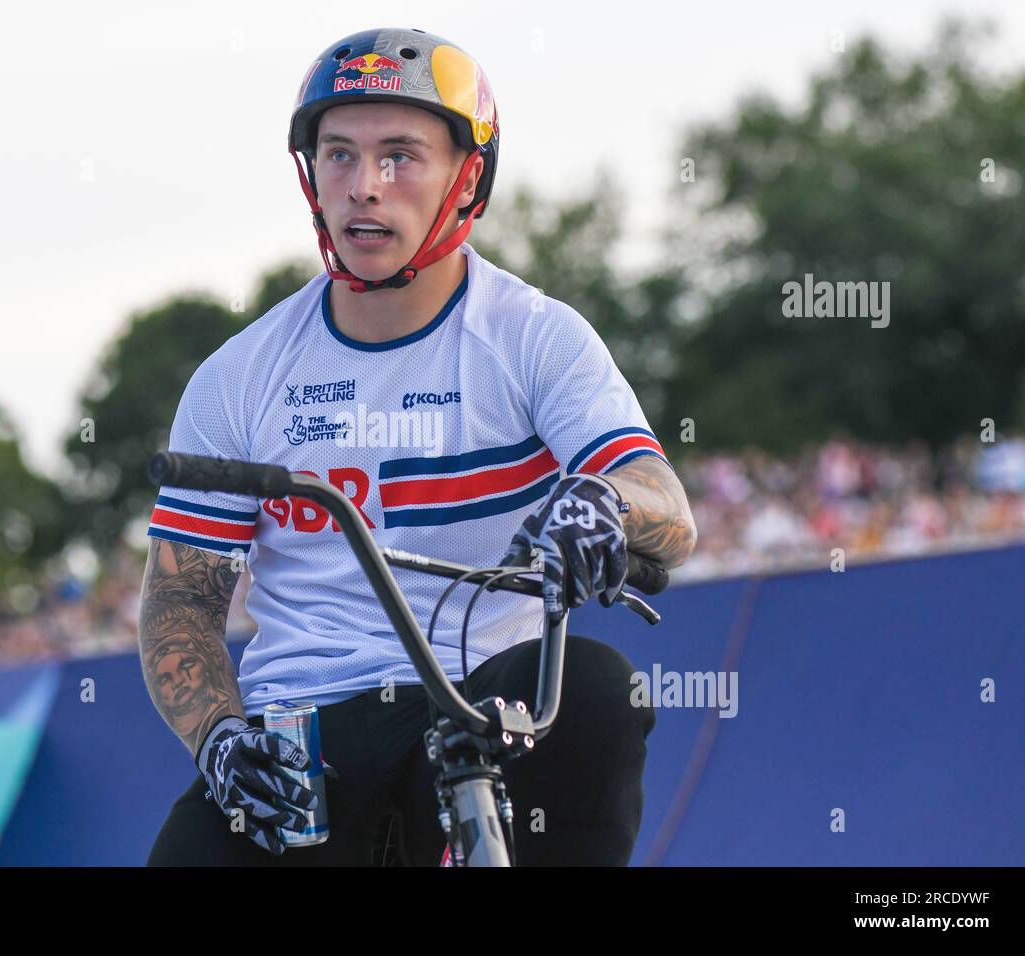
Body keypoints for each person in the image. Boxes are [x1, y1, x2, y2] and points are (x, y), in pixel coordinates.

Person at [140, 26, 697, 866]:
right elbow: (180, 606)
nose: (365, 187)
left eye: (400, 155)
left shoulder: (536, 337)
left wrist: (606, 505)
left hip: (482, 704)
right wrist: (219, 739)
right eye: (339, 155)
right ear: (310, 172)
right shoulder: (239, 376)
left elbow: (664, 503)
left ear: (467, 177)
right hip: (309, 729)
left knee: (596, 688)